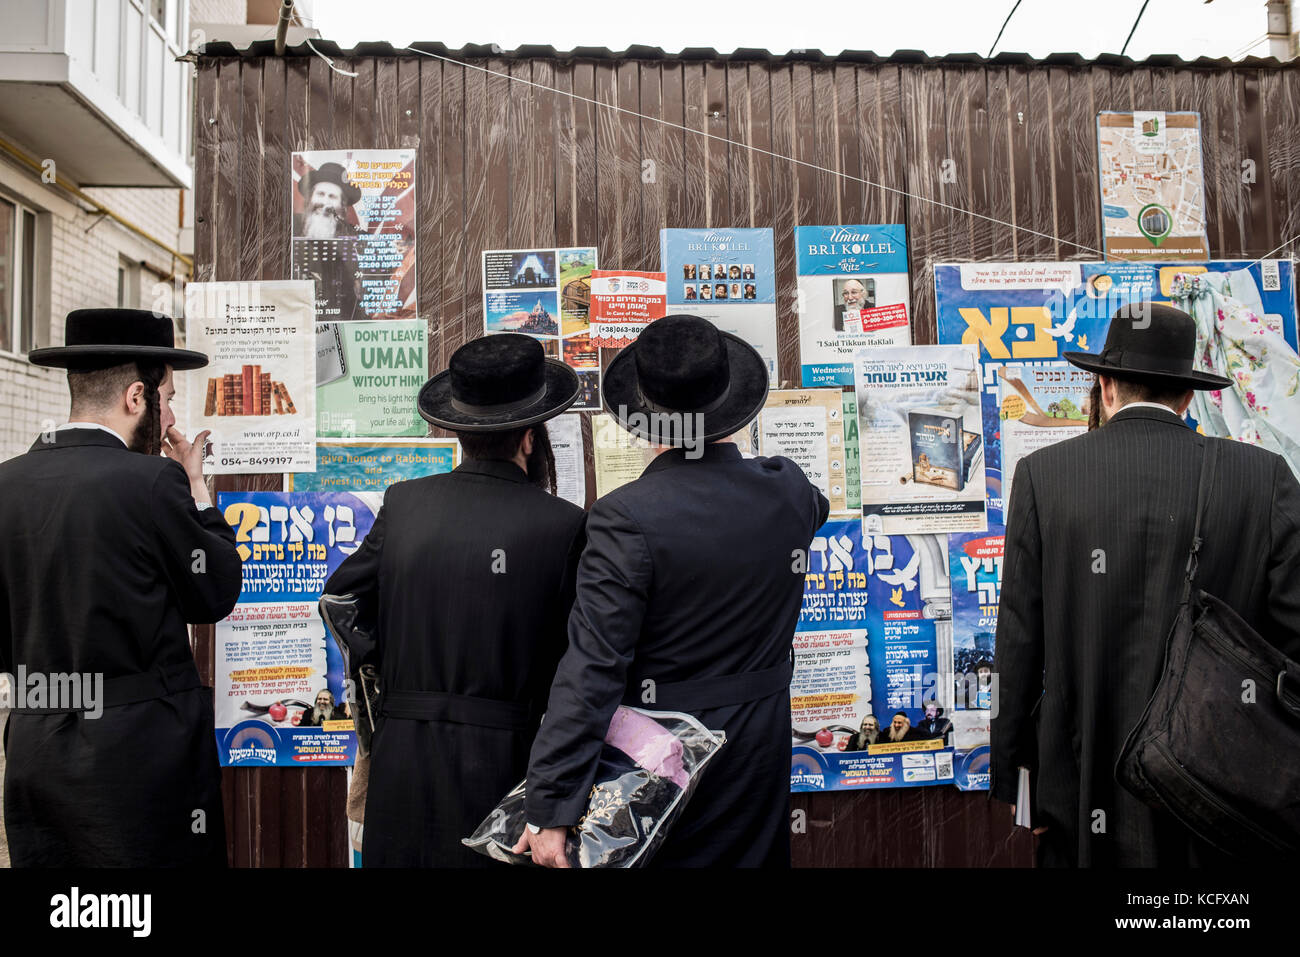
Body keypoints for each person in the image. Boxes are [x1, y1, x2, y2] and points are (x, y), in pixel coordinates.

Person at [991, 302, 1300, 867]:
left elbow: (1017, 646)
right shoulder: (1265, 478)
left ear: (1104, 387)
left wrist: (1018, 783)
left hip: (1082, 779)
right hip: (1221, 787)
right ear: (1187, 396)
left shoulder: (1044, 477)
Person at [514, 314, 829, 868]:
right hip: (758, 753)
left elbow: (592, 667)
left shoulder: (626, 517)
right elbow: (808, 505)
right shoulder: (790, 491)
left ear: (643, 421)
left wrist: (551, 803)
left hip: (666, 763)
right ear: (731, 403)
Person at [322, 333, 587, 867]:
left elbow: (341, 598)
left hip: (403, 761)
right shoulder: (563, 526)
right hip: (507, 769)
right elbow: (577, 661)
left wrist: (388, 670)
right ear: (531, 439)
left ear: (462, 431)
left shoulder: (405, 504)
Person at [0, 308, 243, 867]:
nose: (173, 413)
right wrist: (196, 486)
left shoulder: (6, 484)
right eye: (169, 396)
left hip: (35, 748)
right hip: (139, 757)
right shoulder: (154, 482)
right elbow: (215, 593)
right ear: (137, 398)